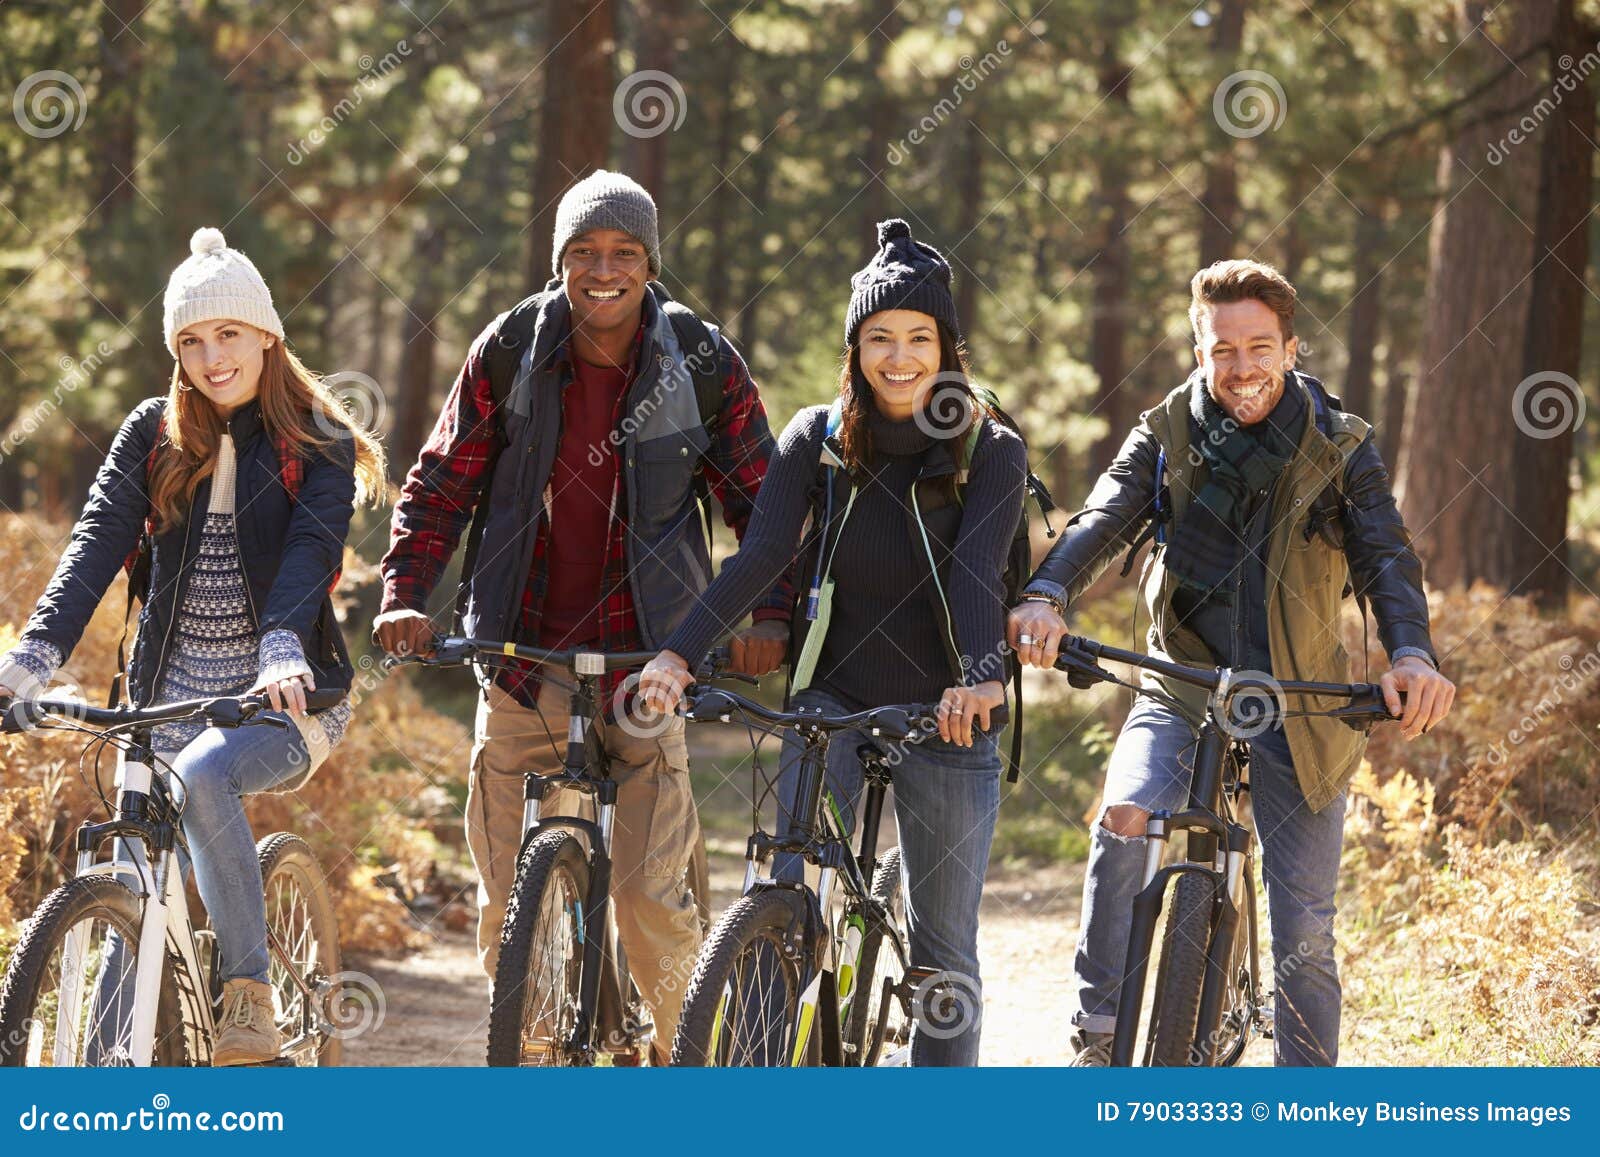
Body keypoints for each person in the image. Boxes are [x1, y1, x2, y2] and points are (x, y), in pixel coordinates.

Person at [374, 171, 793, 1063]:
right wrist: (407, 592)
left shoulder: (701, 360)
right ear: (559, 259)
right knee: (505, 915)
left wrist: (769, 615)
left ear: (649, 262)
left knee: (650, 905)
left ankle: (694, 1084)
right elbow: (441, 483)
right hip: (523, 654)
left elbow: (764, 506)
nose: (603, 271)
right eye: (583, 254)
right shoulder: (510, 349)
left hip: (652, 662)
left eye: (623, 255)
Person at [1008, 258, 1456, 1066]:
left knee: (1305, 931)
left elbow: (1386, 556)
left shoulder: (1340, 446)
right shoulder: (1167, 432)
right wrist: (1045, 591)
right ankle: (1099, 1030)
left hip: (1303, 698)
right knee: (1125, 818)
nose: (1240, 368)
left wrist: (1412, 654)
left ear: (1291, 348)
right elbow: (1106, 513)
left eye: (1258, 347)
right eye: (1222, 350)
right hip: (1181, 679)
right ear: (1198, 350)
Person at [639, 218, 1026, 1066]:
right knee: (786, 887)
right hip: (834, 695)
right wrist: (678, 651)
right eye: (879, 337)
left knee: (943, 955)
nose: (899, 357)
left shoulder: (989, 448)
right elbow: (764, 556)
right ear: (854, 348)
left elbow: (975, 578)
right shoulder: (815, 439)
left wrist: (978, 679)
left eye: (919, 338)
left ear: (947, 346)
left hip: (952, 710)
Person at [0, 227, 385, 1065]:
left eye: (229, 335)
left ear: (266, 335)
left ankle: (248, 996)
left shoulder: (315, 439)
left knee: (208, 771)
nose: (212, 359)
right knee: (135, 889)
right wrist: (30, 659)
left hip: (281, 699)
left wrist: (282, 642)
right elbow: (96, 541)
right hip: (162, 701)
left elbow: (314, 551)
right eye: (191, 342)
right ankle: (103, 1084)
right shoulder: (153, 432)